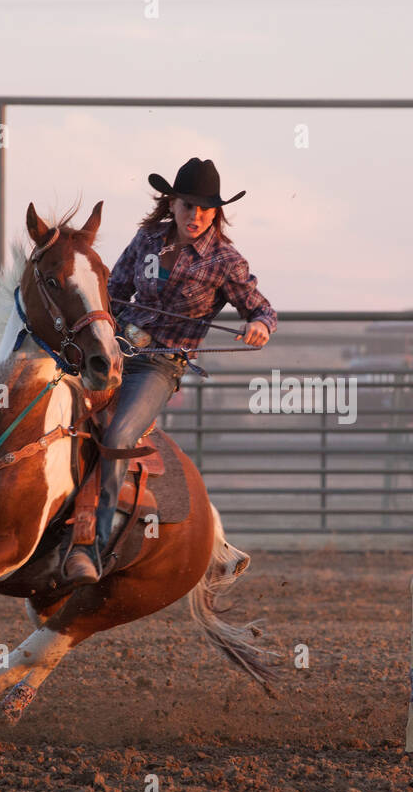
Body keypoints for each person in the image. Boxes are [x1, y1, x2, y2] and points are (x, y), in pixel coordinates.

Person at [63, 157, 276, 582]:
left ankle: (94, 544)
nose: (194, 215)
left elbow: (262, 310)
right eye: (186, 206)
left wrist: (258, 327)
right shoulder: (147, 240)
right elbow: (116, 291)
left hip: (159, 366)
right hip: (112, 350)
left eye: (204, 208)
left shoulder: (225, 262)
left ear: (216, 212)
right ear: (172, 204)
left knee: (120, 435)